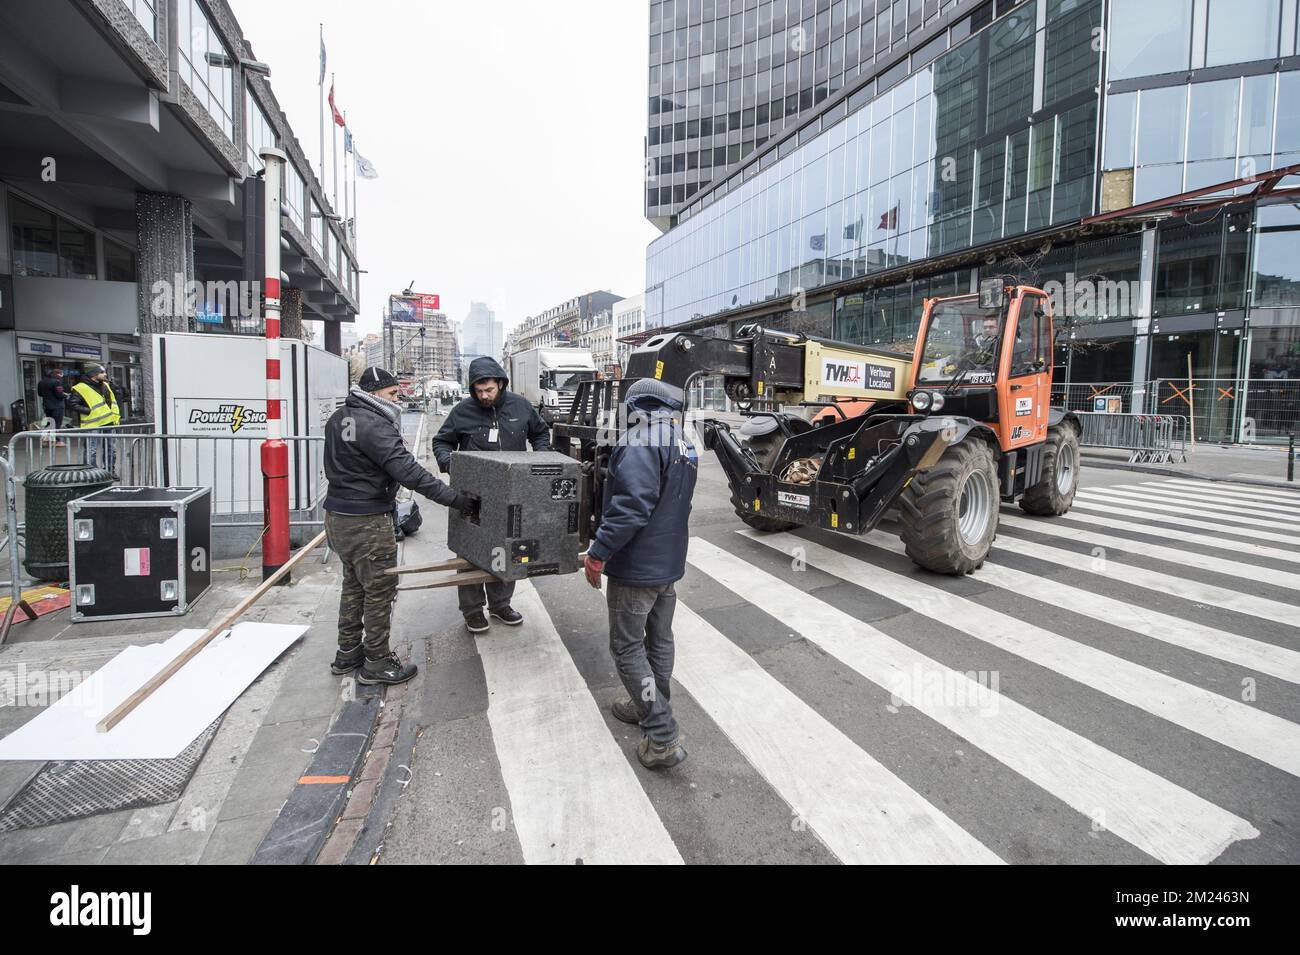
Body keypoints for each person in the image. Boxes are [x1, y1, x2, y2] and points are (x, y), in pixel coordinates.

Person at [324, 366, 478, 685]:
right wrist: (456, 499)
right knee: (380, 589)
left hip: (338, 517)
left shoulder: (341, 418)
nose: (399, 398)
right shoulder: (375, 425)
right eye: (393, 393)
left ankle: (347, 653)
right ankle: (377, 663)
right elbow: (409, 472)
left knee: (354, 585)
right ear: (374, 393)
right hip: (367, 521)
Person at [583, 378, 698, 770]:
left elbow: (630, 509)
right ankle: (646, 701)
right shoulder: (683, 440)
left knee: (628, 647)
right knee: (659, 640)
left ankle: (661, 736)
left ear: (637, 405)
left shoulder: (639, 441)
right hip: (667, 562)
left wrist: (597, 553)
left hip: (637, 566)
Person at [433, 356, 550, 634]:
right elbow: (442, 441)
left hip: (512, 495)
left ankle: (500, 604)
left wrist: (539, 462)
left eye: (489, 390)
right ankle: (472, 610)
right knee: (472, 551)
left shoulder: (521, 406)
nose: (484, 396)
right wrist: (450, 464)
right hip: (473, 497)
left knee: (508, 547)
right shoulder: (462, 411)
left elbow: (541, 433)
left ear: (500, 383)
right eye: (479, 391)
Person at [67, 364, 120, 472]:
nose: (105, 374)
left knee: (111, 449)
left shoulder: (105, 385)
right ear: (93, 374)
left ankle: (110, 471)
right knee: (91, 450)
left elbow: (111, 401)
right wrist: (89, 411)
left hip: (108, 421)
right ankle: (91, 473)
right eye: (102, 372)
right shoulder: (80, 388)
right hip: (92, 423)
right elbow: (72, 404)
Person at [36, 367, 67, 445]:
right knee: (57, 423)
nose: (62, 376)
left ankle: (47, 440)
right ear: (57, 374)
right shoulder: (56, 382)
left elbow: (39, 394)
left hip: (47, 406)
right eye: (61, 374)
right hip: (57, 406)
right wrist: (65, 395)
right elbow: (59, 394)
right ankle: (58, 441)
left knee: (49, 423)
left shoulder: (41, 382)